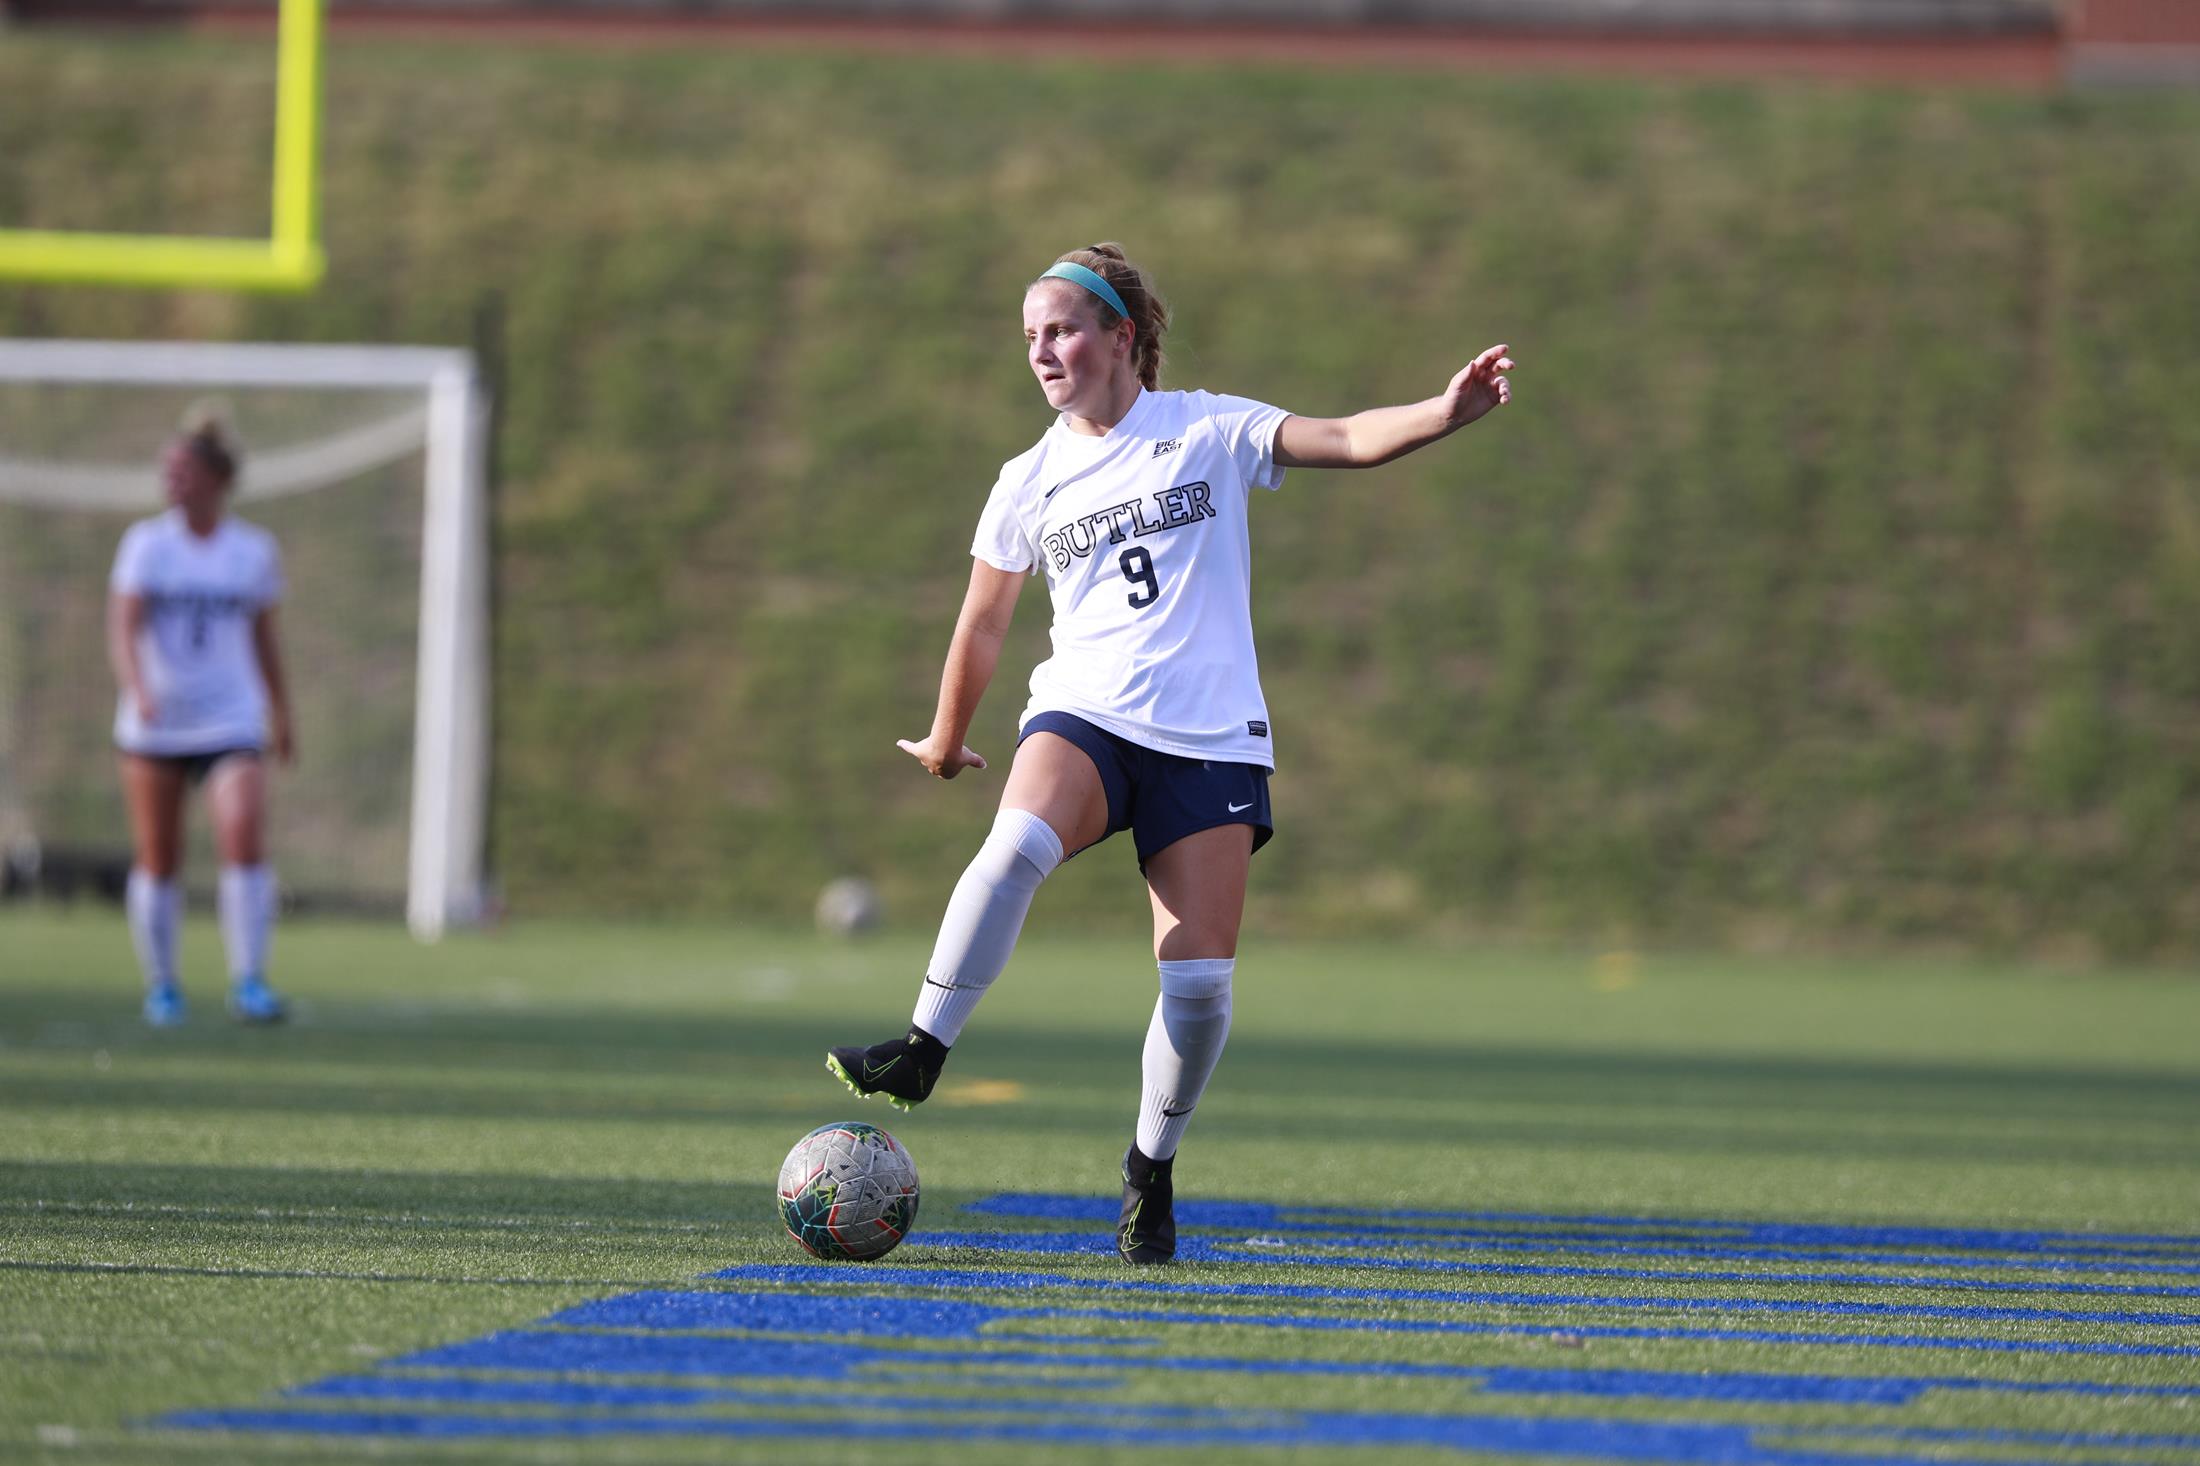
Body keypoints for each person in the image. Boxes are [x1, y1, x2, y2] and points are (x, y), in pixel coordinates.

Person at [828, 243, 1513, 1263]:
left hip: (1207, 741)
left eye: (1059, 328)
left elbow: (1344, 436)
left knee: (1198, 992)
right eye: (1028, 336)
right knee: (1013, 846)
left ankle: (1150, 1167)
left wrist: (1437, 412)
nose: (1042, 350)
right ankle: (923, 1047)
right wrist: (946, 731)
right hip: (1085, 715)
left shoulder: (1205, 425)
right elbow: (981, 622)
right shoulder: (1026, 478)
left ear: (1120, 336)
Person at [106, 407, 294, 1027]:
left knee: (242, 833)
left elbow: (265, 637)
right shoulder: (147, 545)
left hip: (230, 718)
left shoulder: (252, 551)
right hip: (156, 723)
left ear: (217, 479)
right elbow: (124, 626)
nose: (173, 481)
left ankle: (250, 981)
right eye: (168, 471)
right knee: (160, 856)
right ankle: (163, 985)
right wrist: (139, 689)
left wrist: (280, 709)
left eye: (184, 470)